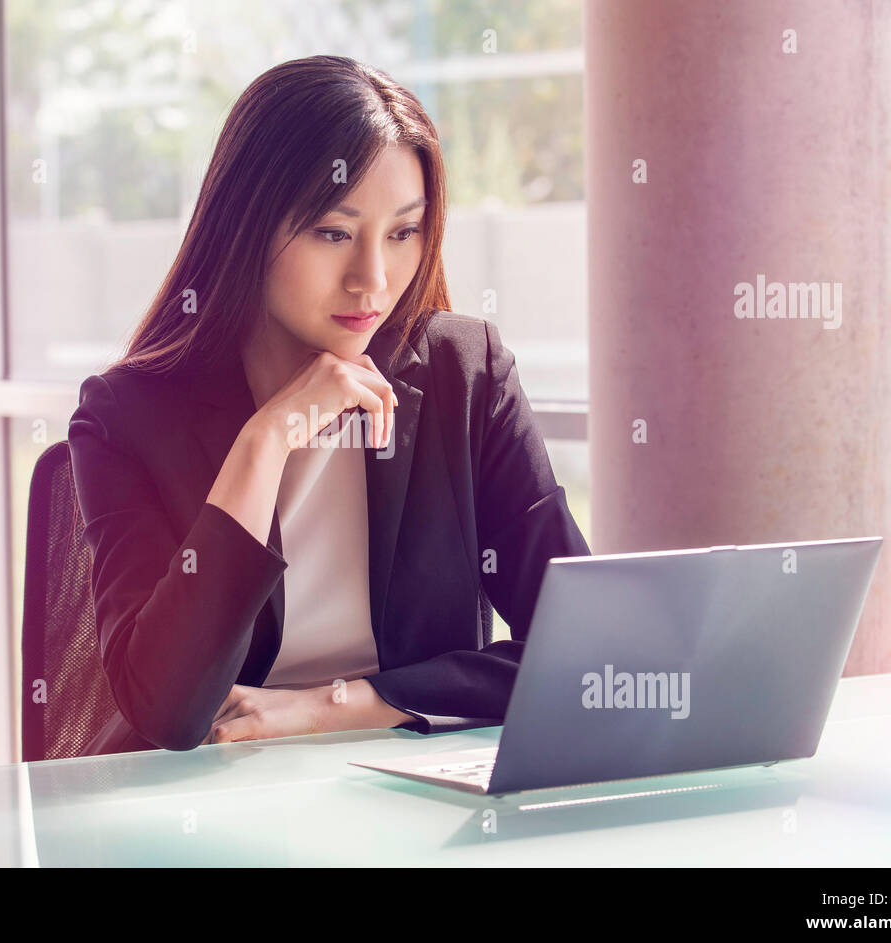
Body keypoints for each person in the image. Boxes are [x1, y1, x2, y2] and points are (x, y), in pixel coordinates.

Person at [68, 54, 590, 754]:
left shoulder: (464, 376)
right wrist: (267, 440)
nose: (372, 279)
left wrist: (343, 704)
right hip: (205, 810)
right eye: (333, 233)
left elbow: (585, 650)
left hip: (407, 796)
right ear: (247, 225)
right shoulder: (125, 417)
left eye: (403, 232)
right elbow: (169, 710)